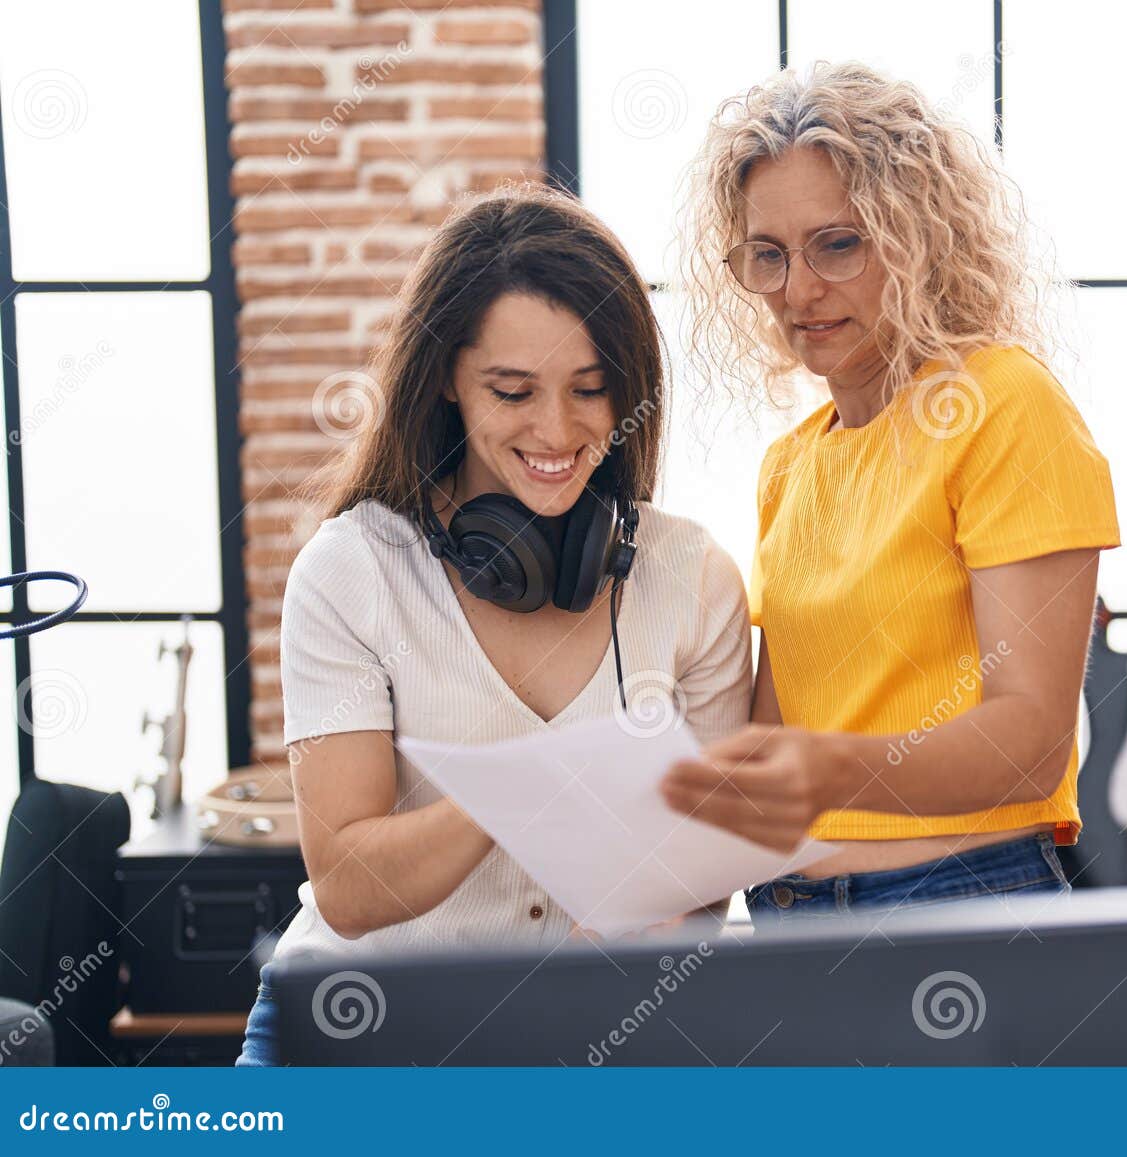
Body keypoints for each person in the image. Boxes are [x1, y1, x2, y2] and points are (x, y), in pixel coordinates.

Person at [236, 185, 751, 1065]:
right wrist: (524, 790)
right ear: (446, 379)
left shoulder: (691, 579)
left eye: (593, 390)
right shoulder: (353, 569)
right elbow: (349, 885)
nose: (558, 429)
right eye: (513, 391)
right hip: (358, 1024)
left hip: (582, 1035)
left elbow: (698, 881)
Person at [663, 62, 1120, 926]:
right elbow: (766, 764)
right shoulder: (790, 466)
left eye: (838, 244)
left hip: (961, 906)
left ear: (920, 238)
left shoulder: (1005, 405)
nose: (798, 292)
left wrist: (833, 770)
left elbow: (1030, 741)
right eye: (769, 256)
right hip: (788, 912)